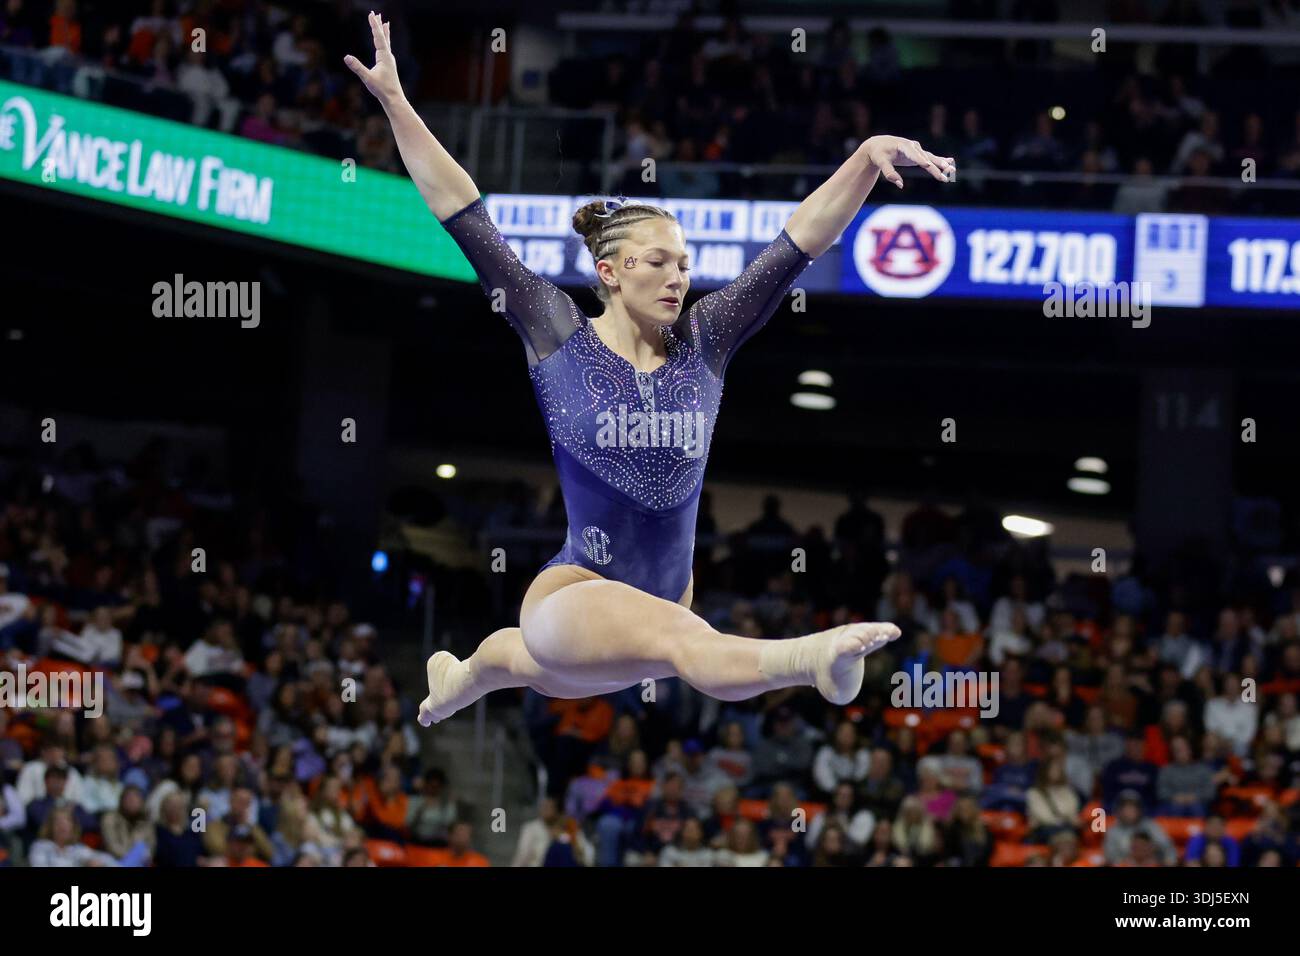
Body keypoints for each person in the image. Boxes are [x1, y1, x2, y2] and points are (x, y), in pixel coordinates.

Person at [344, 12, 955, 724]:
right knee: (680, 646)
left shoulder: (708, 339)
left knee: (539, 670)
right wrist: (395, 101)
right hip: (573, 595)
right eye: (657, 263)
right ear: (609, 270)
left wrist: (863, 158)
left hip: (656, 602)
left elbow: (798, 243)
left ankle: (462, 678)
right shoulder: (557, 332)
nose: (677, 278)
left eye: (684, 265)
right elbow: (463, 211)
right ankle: (809, 659)